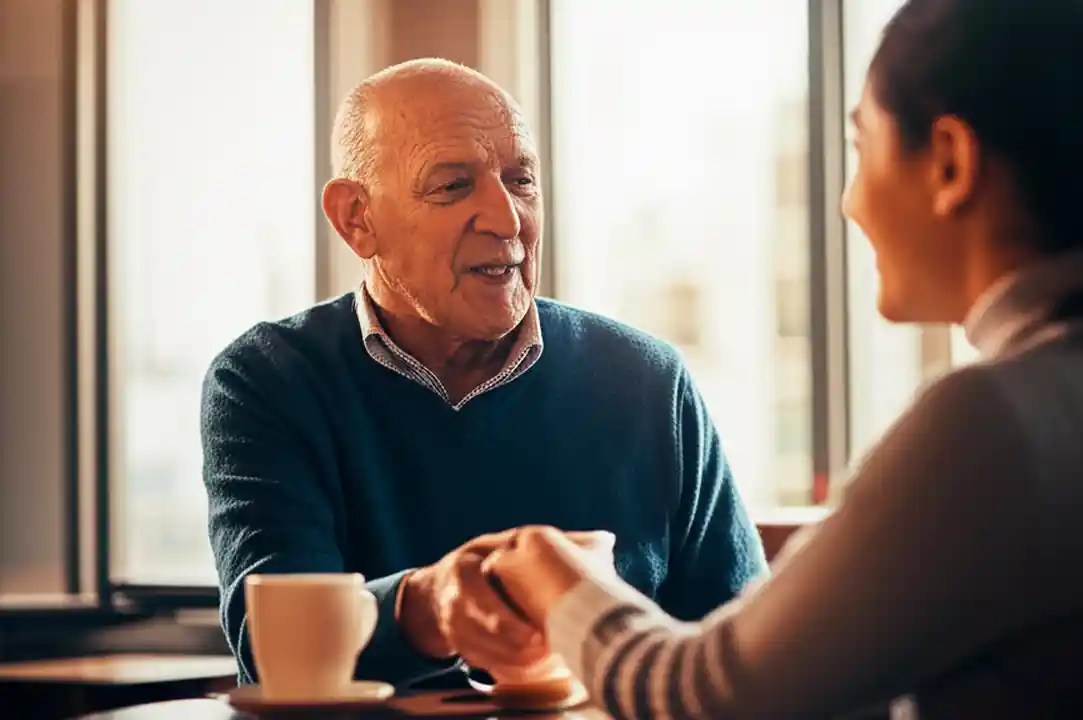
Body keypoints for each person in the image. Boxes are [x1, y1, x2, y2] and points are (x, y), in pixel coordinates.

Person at [485, 0, 1083, 716]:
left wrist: (556, 576)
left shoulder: (1002, 423)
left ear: (949, 162)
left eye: (861, 144)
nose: (849, 199)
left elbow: (705, 698)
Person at [200, 59, 767, 689]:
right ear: (357, 218)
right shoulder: (267, 379)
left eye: (521, 180)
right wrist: (431, 605)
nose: (506, 219)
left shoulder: (648, 381)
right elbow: (276, 647)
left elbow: (747, 648)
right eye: (452, 186)